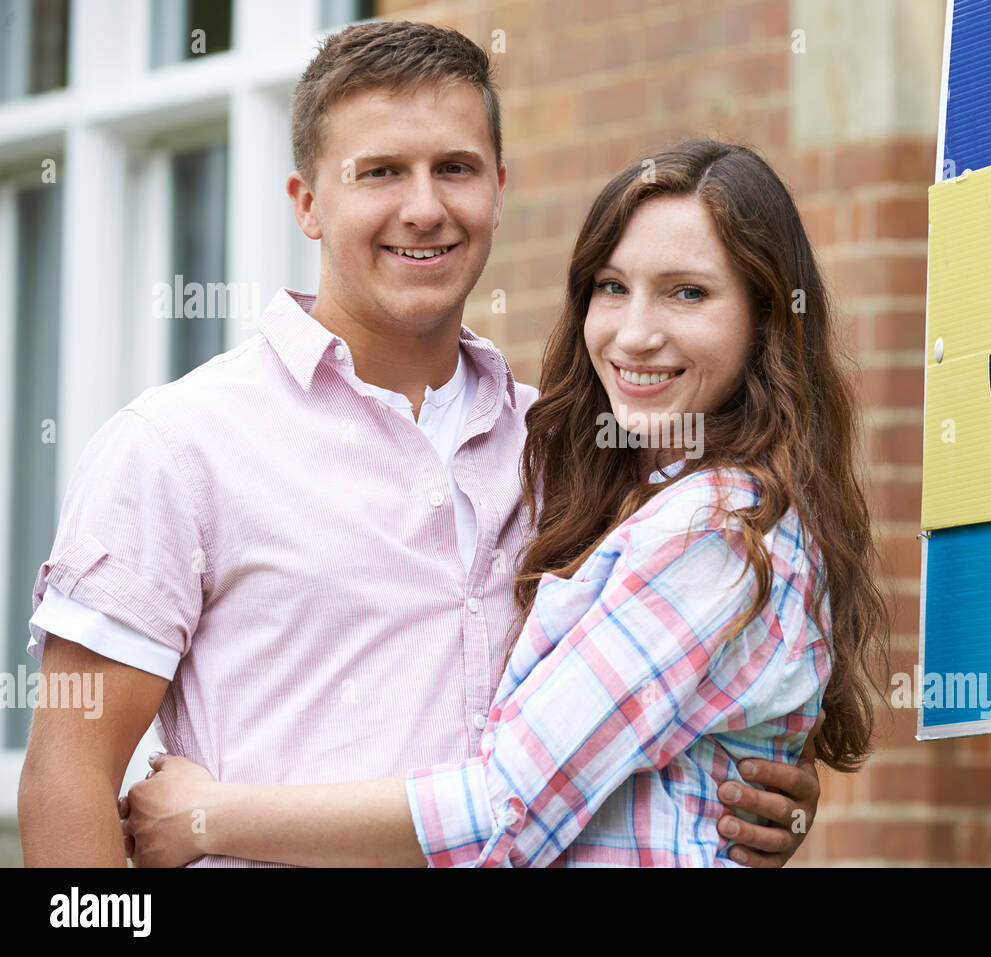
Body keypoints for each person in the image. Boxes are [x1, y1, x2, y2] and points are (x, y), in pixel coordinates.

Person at [17, 21, 816, 867]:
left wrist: (751, 786)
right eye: (382, 172)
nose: (425, 207)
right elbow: (67, 781)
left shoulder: (573, 449)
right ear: (308, 204)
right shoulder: (176, 448)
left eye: (455, 169)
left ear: (499, 189)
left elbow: (676, 679)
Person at [121, 138, 892, 867]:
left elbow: (506, 807)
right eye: (612, 288)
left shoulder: (716, 533)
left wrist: (206, 814)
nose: (634, 333)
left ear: (765, 318)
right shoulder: (612, 488)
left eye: (687, 293)